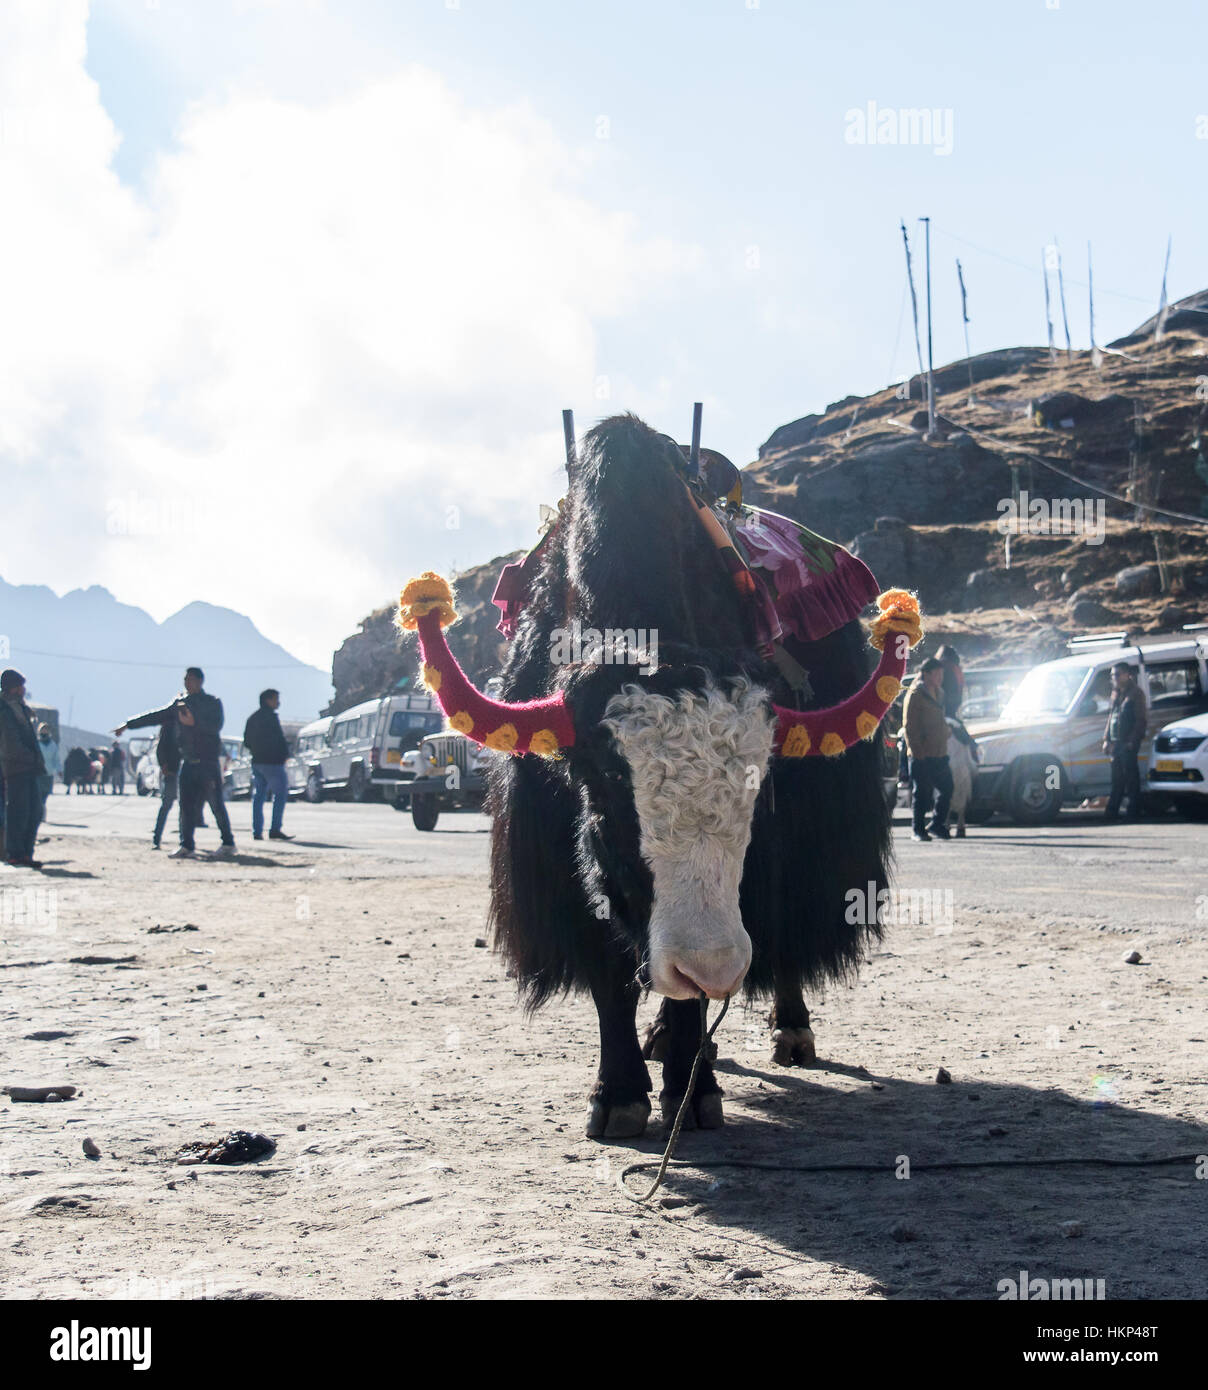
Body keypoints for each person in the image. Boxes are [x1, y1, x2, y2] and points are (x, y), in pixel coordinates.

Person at [116, 667, 236, 858]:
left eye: (190, 679)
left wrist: (194, 723)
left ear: (200, 681)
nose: (186, 683)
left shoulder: (212, 703)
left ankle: (228, 843)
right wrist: (128, 724)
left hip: (208, 762)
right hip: (188, 762)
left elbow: (215, 726)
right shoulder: (180, 704)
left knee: (216, 804)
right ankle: (186, 845)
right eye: (185, 679)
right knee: (185, 806)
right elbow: (155, 716)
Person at [0, 669, 48, 868]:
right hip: (16, 768)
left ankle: (26, 853)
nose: (22, 690)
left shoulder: (21, 709)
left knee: (34, 811)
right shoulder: (5, 710)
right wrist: (31, 758)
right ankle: (15, 853)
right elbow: (10, 744)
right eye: (19, 686)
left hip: (29, 768)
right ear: (11, 687)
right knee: (19, 811)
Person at [903, 657, 954, 842]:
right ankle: (918, 829)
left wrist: (946, 731)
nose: (940, 677)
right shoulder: (915, 694)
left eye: (942, 674)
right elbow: (909, 726)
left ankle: (936, 824)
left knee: (947, 788)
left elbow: (940, 719)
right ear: (926, 674)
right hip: (922, 754)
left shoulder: (940, 693)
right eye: (937, 674)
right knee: (922, 794)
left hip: (940, 752)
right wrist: (918, 753)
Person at [244, 688, 294, 841]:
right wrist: (284, 754)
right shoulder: (271, 718)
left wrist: (257, 751)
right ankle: (275, 829)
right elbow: (278, 739)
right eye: (275, 699)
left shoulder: (252, 718)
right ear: (268, 700)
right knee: (280, 794)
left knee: (259, 797)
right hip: (273, 763)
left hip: (257, 762)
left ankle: (257, 831)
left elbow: (247, 742)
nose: (278, 702)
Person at [1103, 662, 1147, 820]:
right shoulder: (1115, 693)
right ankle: (1112, 812)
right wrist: (1106, 739)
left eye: (1117, 674)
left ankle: (1134, 811)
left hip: (1128, 742)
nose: (1114, 678)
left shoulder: (1136, 693)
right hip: (1116, 742)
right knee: (1117, 779)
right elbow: (1111, 717)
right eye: (1112, 675)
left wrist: (1132, 741)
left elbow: (1140, 720)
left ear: (1127, 675)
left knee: (1131, 778)